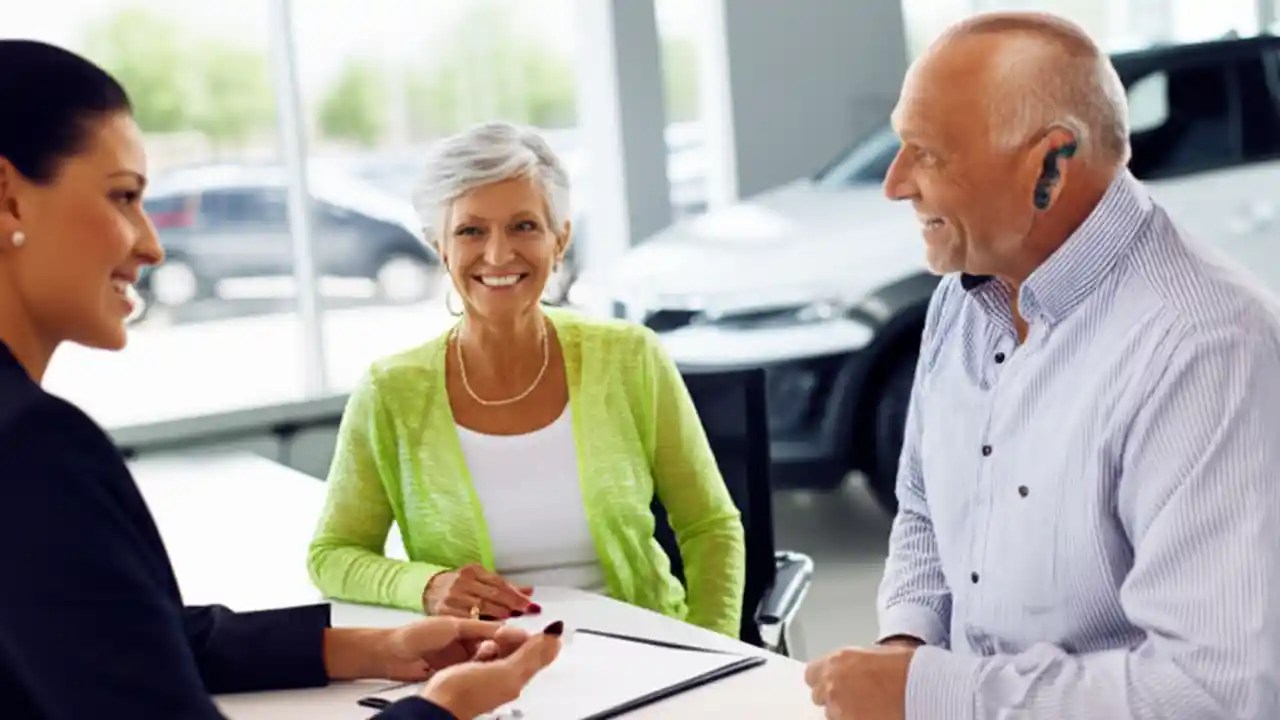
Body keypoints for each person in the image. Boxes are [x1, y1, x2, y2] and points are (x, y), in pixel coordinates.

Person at [0, 40, 561, 720]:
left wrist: (369, 648)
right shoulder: (32, 446)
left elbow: (113, 639)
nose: (152, 243)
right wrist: (438, 711)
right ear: (9, 200)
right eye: (123, 197)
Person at [804, 12, 1280, 720]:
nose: (896, 184)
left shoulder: (1207, 346)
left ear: (1050, 165)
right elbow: (925, 513)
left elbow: (1215, 692)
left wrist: (930, 693)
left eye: (928, 154)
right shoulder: (960, 304)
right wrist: (906, 644)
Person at [307, 122, 746, 637]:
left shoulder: (629, 358)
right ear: (438, 246)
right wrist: (426, 585)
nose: (497, 255)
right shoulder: (391, 392)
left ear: (560, 239)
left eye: (524, 227)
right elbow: (331, 556)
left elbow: (710, 527)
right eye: (471, 230)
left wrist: (715, 654)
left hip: (644, 659)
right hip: (481, 671)